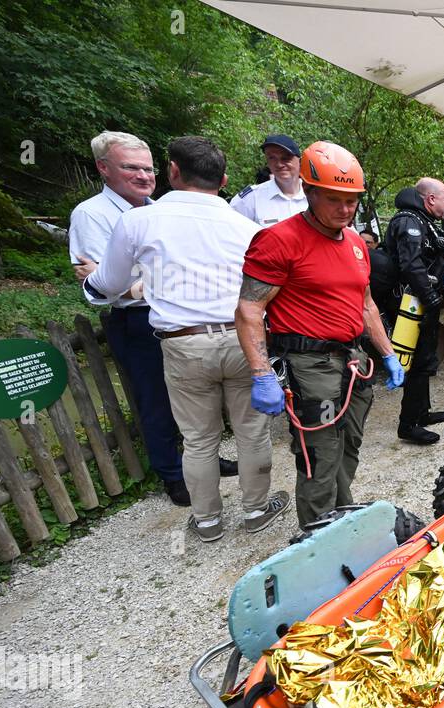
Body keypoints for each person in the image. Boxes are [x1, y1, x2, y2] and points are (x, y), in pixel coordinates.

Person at [84, 136, 288, 542]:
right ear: (224, 179)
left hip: (183, 343)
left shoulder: (139, 220)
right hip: (243, 339)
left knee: (197, 438)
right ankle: (255, 510)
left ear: (172, 171)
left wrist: (92, 281)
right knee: (252, 431)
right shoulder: (247, 227)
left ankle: (208, 520)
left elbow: (107, 285)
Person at [234, 141, 404, 528]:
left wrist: (388, 353)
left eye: (352, 201)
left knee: (349, 446)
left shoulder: (357, 243)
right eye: (334, 200)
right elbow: (249, 308)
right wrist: (262, 373)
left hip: (353, 360)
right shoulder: (278, 240)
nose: (345, 210)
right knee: (319, 454)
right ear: (309, 192)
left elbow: (366, 304)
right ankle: (316, 536)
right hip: (309, 363)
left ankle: (341, 516)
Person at [70, 131, 197, 507]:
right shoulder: (91, 214)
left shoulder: (156, 209)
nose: (143, 176)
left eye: (147, 168)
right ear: (104, 169)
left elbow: (179, 266)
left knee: (187, 396)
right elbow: (103, 287)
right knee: (155, 399)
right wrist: (143, 282)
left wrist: (140, 279)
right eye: (131, 168)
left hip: (176, 313)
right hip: (139, 323)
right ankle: (173, 476)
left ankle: (197, 461)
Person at [387, 179, 444, 445]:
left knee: (425, 360)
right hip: (411, 304)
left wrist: (443, 293)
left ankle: (422, 412)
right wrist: (431, 299)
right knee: (416, 363)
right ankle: (408, 424)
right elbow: (411, 265)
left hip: (420, 300)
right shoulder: (409, 221)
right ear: (430, 199)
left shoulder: (421, 220)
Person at [231, 135, 308, 227]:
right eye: (272, 158)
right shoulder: (251, 198)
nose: (279, 164)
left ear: (299, 160)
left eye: (285, 158)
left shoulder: (315, 195)